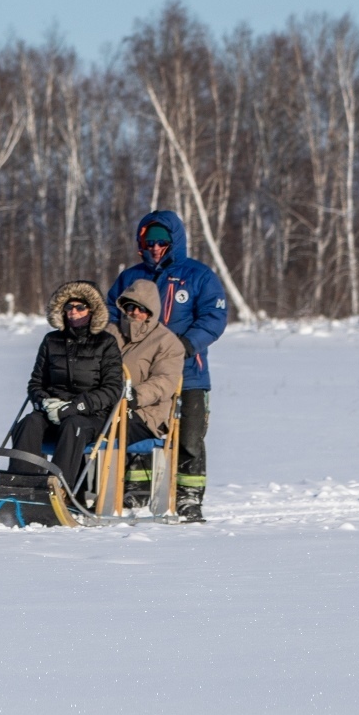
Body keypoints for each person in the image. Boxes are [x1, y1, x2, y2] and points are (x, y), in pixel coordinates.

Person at [108, 210, 228, 522]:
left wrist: (184, 346)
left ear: (174, 242)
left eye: (161, 242)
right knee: (138, 429)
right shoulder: (130, 278)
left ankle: (189, 499)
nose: (155, 248)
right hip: (140, 375)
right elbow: (108, 314)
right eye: (149, 242)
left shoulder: (199, 275)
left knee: (188, 438)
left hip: (189, 374)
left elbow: (214, 318)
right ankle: (138, 491)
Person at [19, 281, 124, 493]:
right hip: (53, 410)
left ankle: (59, 489)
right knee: (29, 422)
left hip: (91, 416)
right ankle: (20, 484)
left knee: (73, 425)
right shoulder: (51, 340)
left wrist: (76, 406)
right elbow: (36, 382)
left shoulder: (106, 342)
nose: (73, 312)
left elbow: (113, 389)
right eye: (68, 307)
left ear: (92, 310)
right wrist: (44, 402)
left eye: (79, 307)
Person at [113, 278, 184, 510]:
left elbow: (165, 381)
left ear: (151, 312)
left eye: (141, 309)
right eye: (129, 307)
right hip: (106, 407)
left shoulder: (167, 342)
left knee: (105, 428)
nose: (134, 313)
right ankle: (67, 491)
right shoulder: (109, 333)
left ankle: (106, 497)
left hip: (145, 414)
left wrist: (134, 396)